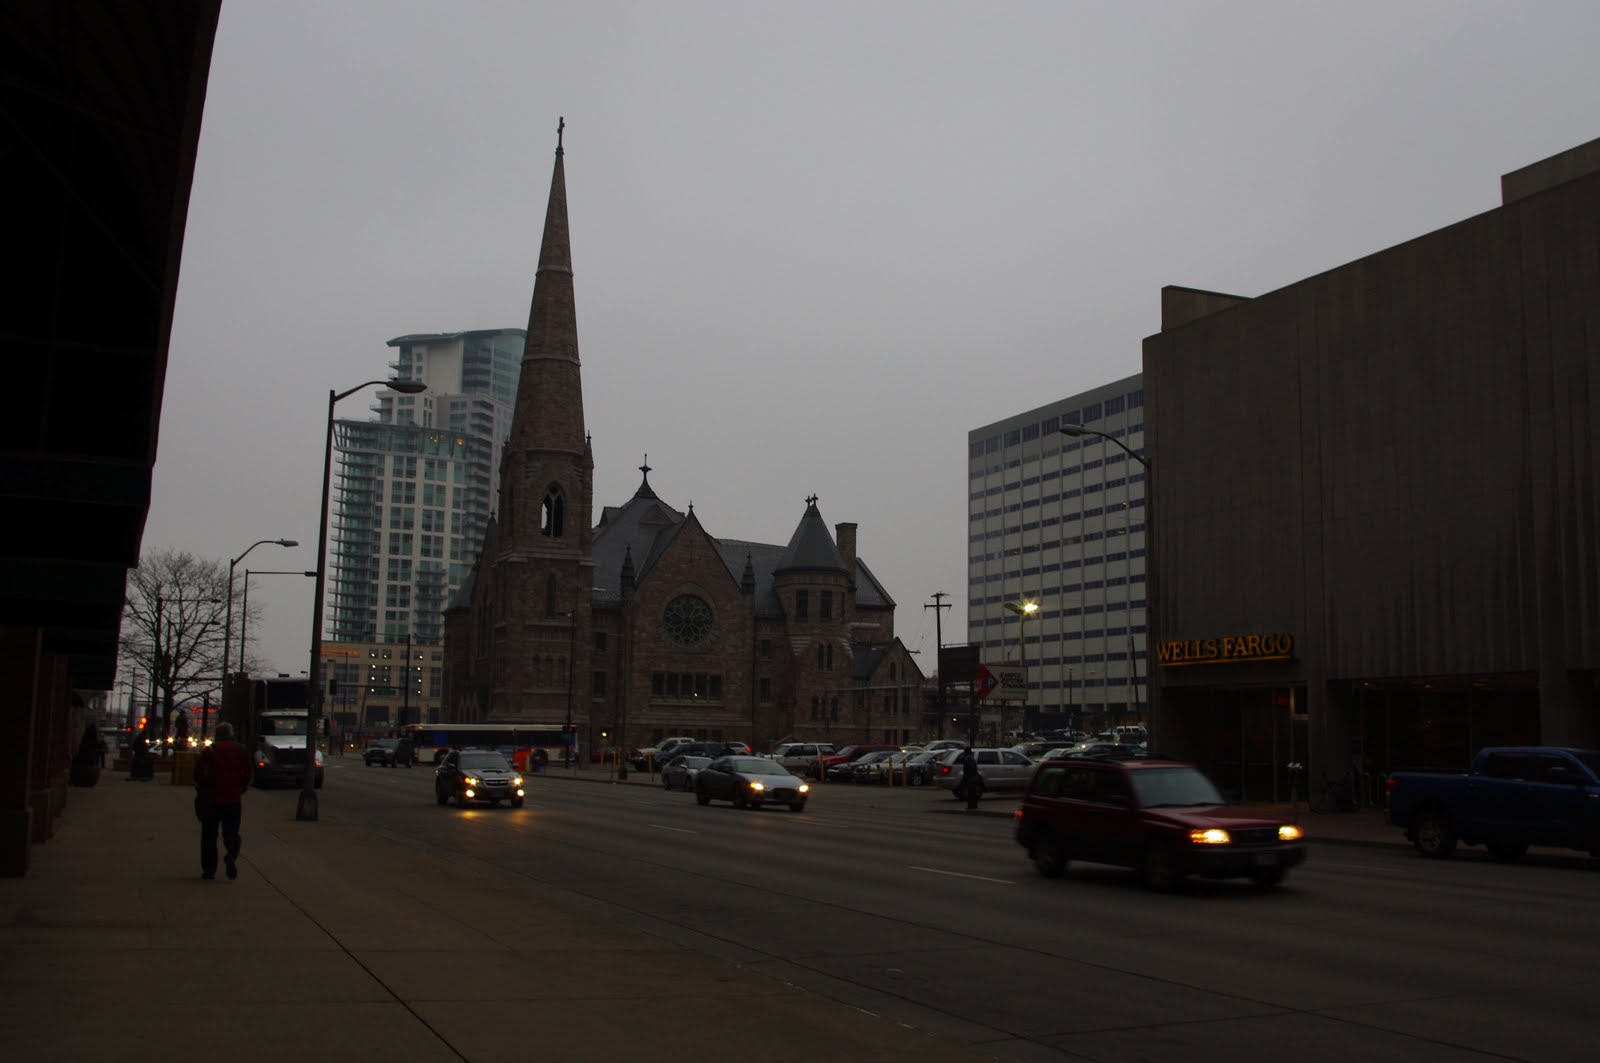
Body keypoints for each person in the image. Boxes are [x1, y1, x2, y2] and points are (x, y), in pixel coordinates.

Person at [194, 722, 252, 881]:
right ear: (231, 734)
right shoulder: (241, 750)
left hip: (212, 798)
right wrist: (241, 788)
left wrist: (202, 788)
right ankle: (231, 853)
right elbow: (248, 774)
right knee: (232, 833)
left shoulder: (210, 750)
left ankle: (209, 870)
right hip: (233, 799)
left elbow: (198, 771)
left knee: (209, 836)